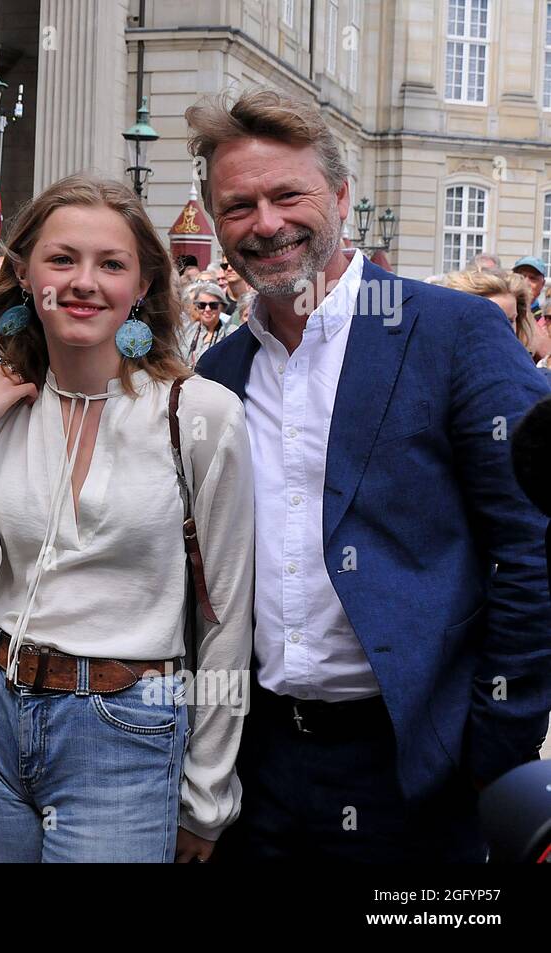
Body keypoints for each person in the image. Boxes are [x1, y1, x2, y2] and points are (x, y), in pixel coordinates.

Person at [186, 86, 551, 862]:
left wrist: (492, 745)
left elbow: (533, 542)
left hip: (419, 766)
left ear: (343, 196)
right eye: (239, 205)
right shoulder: (219, 371)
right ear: (216, 222)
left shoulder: (455, 332)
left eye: (289, 194)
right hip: (263, 767)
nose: (267, 222)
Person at [0, 173, 254, 863]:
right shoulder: (2, 411)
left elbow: (229, 616)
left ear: (143, 286)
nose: (84, 281)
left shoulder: (200, 413)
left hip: (127, 724)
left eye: (111, 263)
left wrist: (207, 795)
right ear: (27, 275)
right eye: (62, 259)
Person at [442, 269, 551, 367]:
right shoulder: (437, 372)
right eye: (489, 320)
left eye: (510, 321)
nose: (503, 330)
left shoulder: (528, 374)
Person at [184, 281, 236, 368]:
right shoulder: (186, 330)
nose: (207, 309)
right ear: (196, 307)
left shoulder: (231, 333)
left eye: (213, 305)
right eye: (202, 305)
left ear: (222, 307)